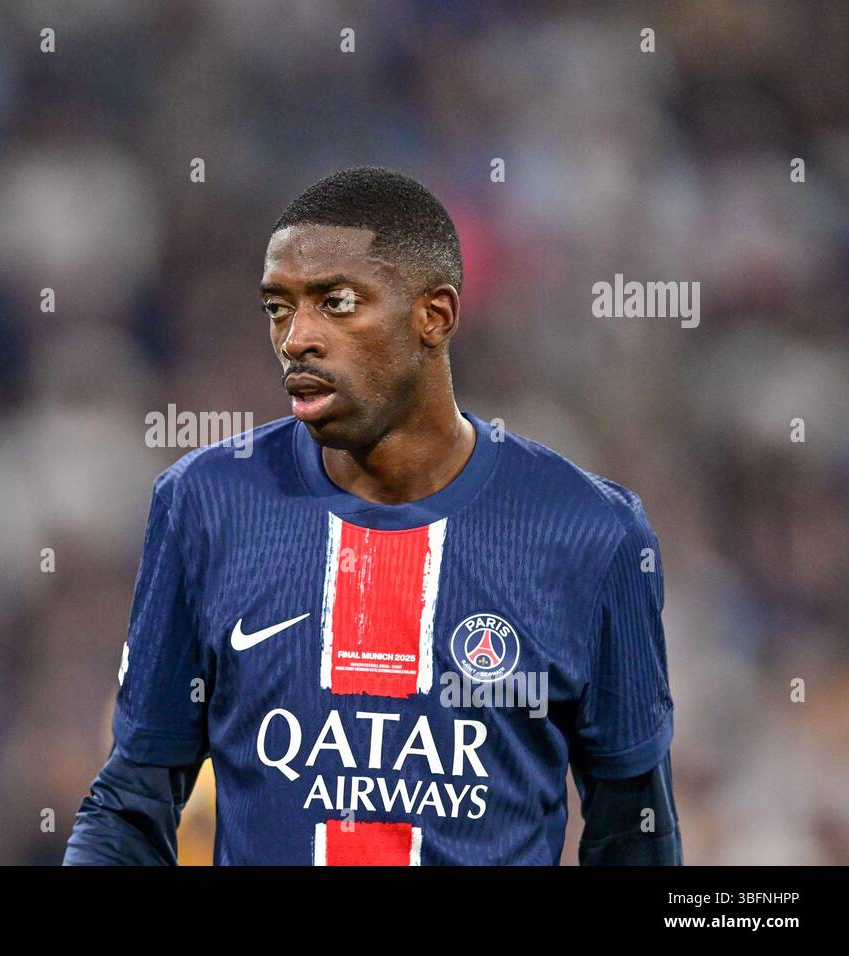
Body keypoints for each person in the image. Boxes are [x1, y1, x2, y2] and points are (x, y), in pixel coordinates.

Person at [65, 166, 680, 865]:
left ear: (434, 315)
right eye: (277, 307)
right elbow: (131, 804)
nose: (296, 337)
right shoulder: (205, 505)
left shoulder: (592, 536)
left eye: (337, 302)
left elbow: (633, 833)